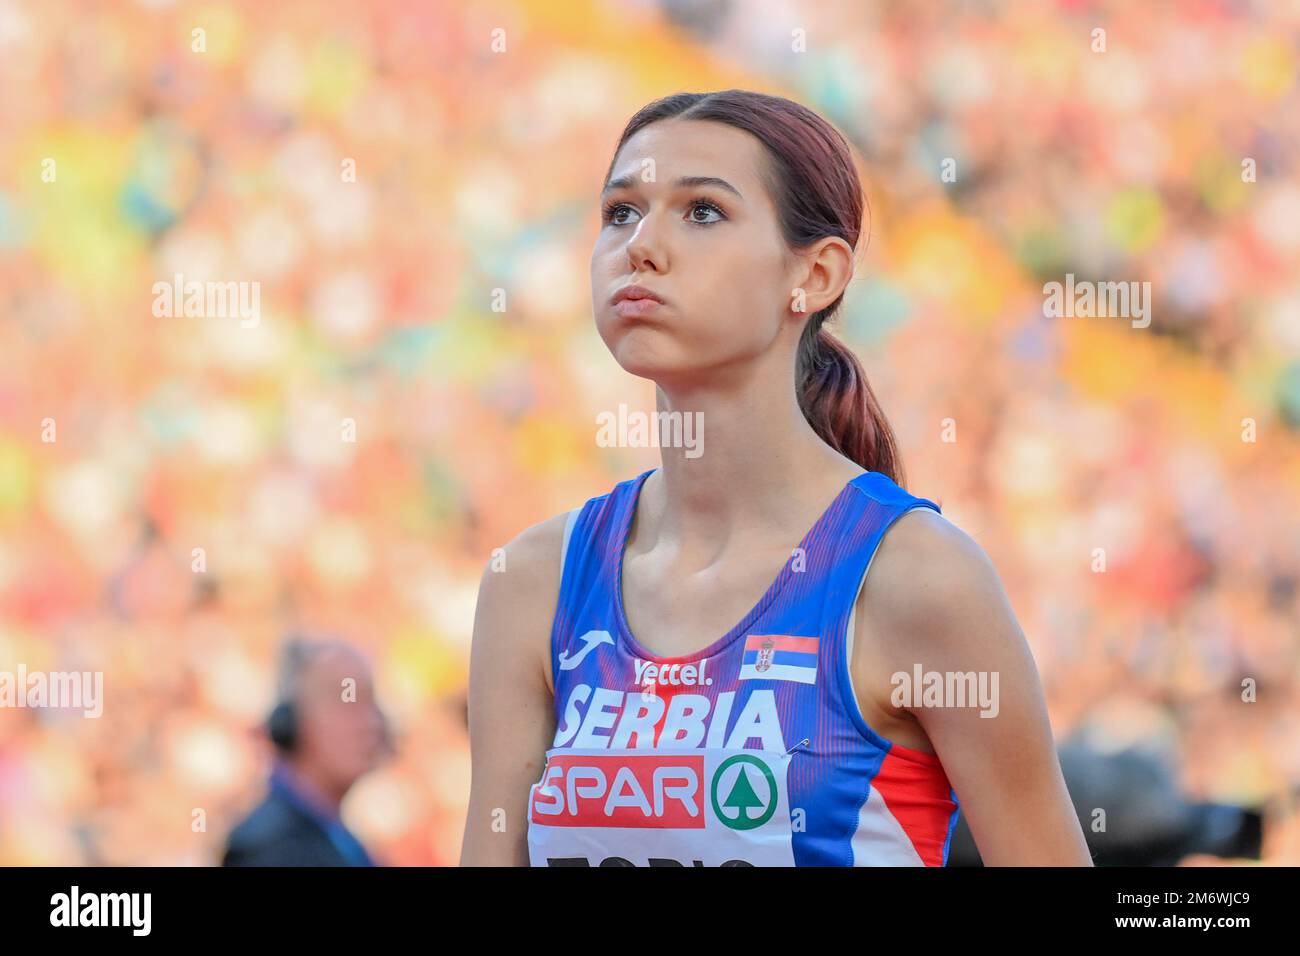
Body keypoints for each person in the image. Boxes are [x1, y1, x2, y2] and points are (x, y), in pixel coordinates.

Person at [461, 89, 1092, 866]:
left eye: (702, 212)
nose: (641, 246)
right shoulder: (533, 580)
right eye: (621, 212)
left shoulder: (918, 581)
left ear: (816, 274)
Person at [223, 638, 389, 866]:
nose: (370, 723)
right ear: (292, 721)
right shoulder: (270, 849)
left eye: (371, 704)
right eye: (348, 702)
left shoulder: (340, 840)